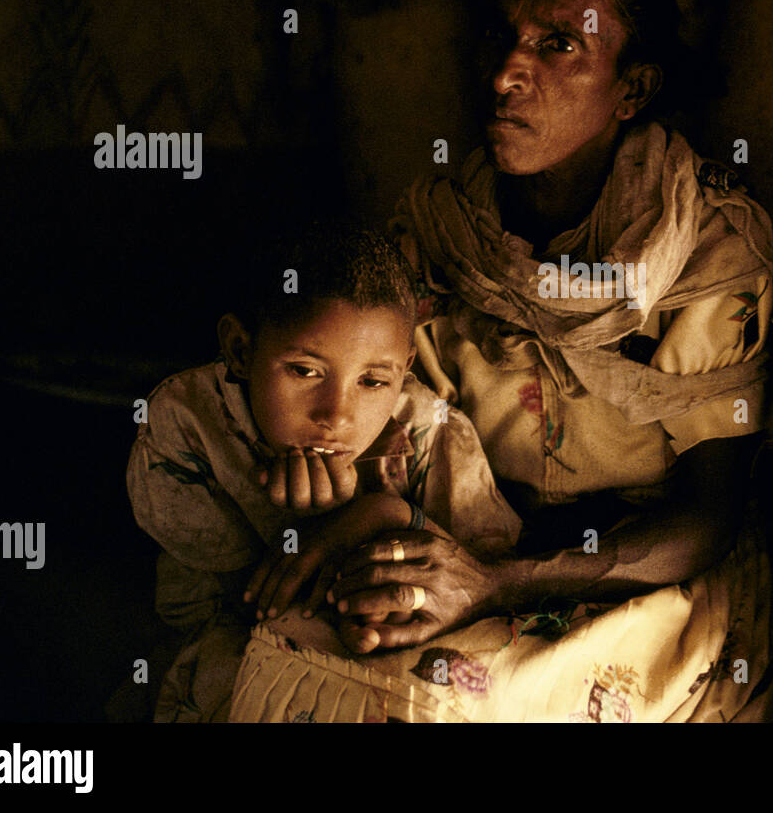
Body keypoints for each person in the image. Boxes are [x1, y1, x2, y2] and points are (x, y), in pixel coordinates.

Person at [228, 0, 773, 722]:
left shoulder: (708, 253)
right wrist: (345, 499)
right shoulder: (437, 230)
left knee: (445, 700)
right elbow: (394, 431)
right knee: (293, 650)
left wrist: (494, 585)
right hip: (469, 547)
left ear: (633, 89)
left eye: (558, 46)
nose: (504, 74)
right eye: (502, 37)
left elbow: (707, 520)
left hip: (642, 576)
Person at [125, 222, 520, 721]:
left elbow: (476, 572)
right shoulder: (189, 424)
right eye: (305, 371)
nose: (336, 415)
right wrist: (324, 529)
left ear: (406, 366)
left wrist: (383, 516)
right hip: (229, 633)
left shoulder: (428, 430)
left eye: (374, 381)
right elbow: (255, 606)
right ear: (241, 350)